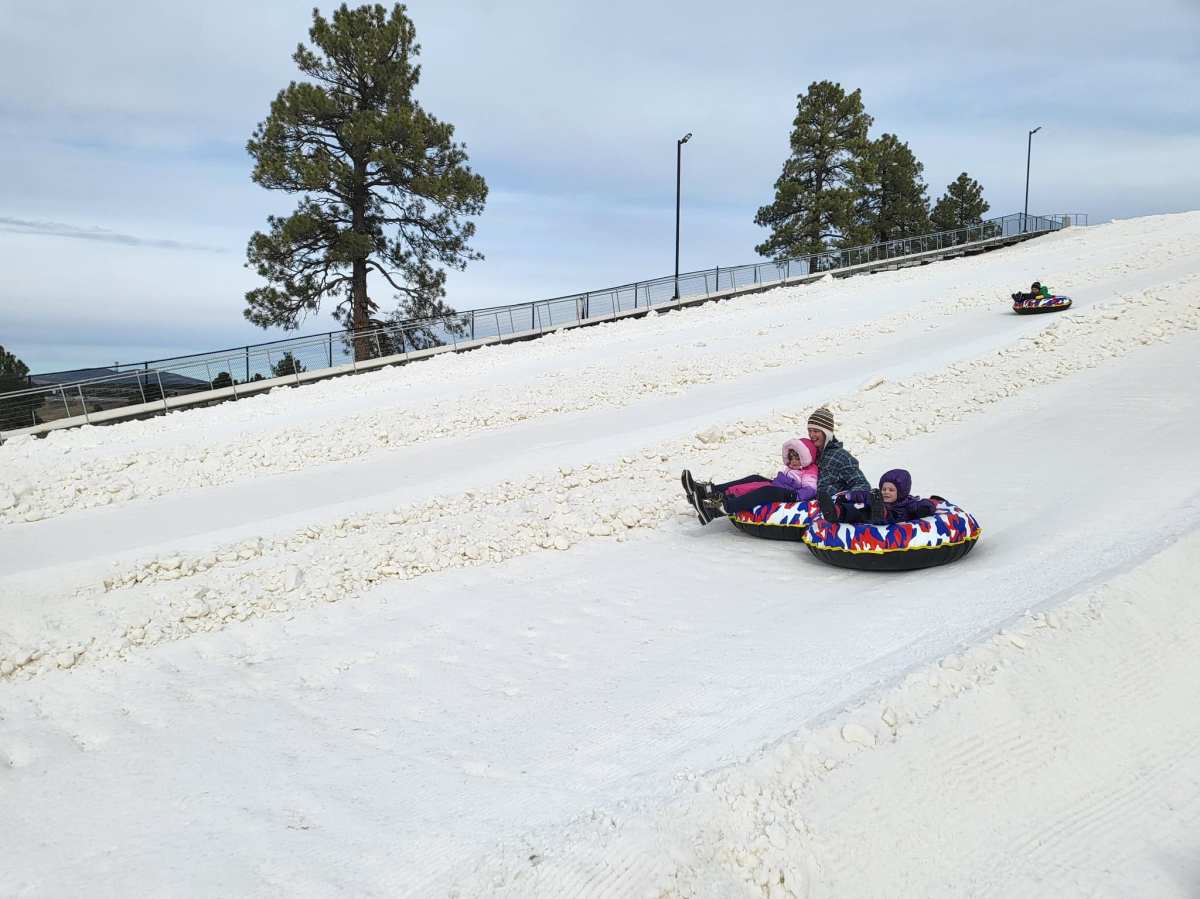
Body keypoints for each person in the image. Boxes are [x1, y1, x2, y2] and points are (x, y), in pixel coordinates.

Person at [682, 437, 818, 525]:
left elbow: (810, 489)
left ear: (806, 458)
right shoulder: (792, 468)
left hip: (791, 495)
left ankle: (717, 510)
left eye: (797, 458)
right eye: (791, 458)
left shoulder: (809, 471)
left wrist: (796, 496)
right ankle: (705, 491)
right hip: (779, 486)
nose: (793, 462)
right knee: (754, 479)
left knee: (767, 491)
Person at [819, 468, 938, 524]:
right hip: (872, 513)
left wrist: (925, 506)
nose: (886, 492)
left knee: (892, 514)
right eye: (884, 489)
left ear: (901, 492)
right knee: (859, 510)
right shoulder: (876, 497)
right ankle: (837, 512)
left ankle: (882, 513)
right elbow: (862, 495)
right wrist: (848, 497)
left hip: (894, 517)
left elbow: (926, 506)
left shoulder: (909, 502)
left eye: (891, 490)